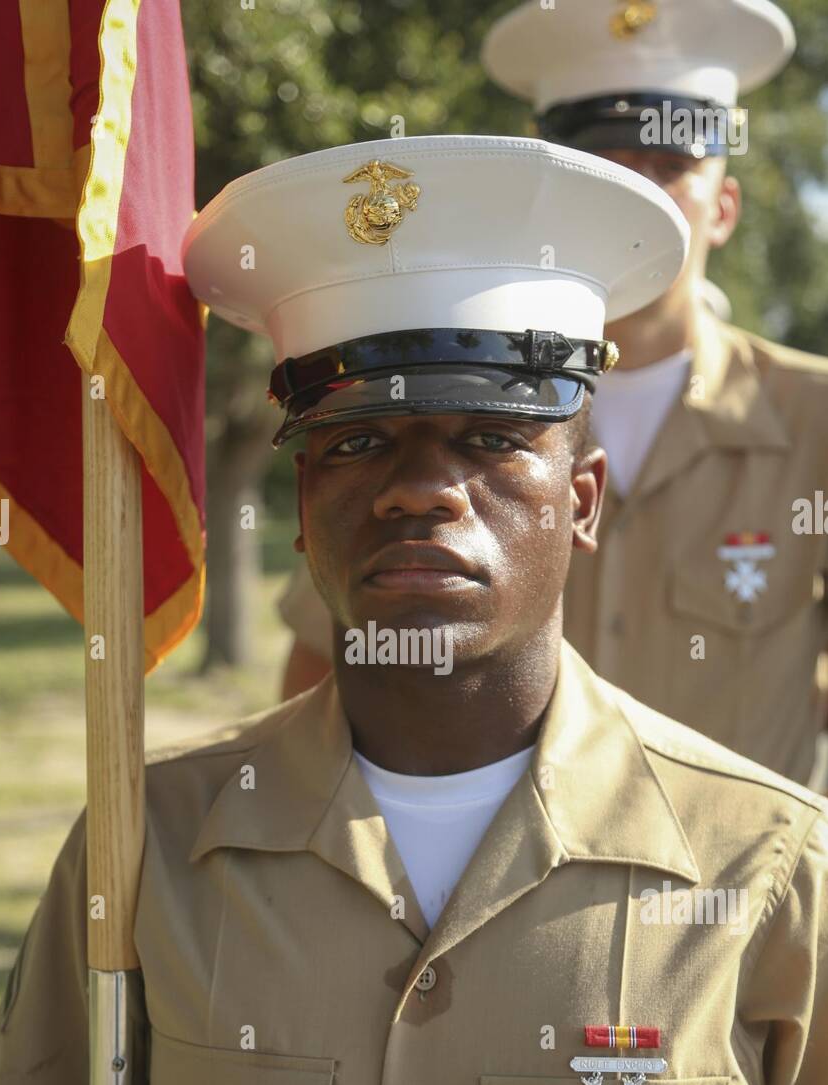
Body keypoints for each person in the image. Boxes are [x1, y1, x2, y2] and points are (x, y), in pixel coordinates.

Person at [0, 134, 825, 1085]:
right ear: (305, 498)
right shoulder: (148, 842)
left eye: (489, 441)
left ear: (580, 501)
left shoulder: (766, 864)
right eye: (356, 441)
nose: (420, 487)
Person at [278, 0, 828, 795]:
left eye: (670, 167)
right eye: (601, 170)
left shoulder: (811, 417)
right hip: (509, 889)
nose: (638, 197)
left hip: (740, 895)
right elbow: (324, 651)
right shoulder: (427, 405)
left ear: (725, 208)